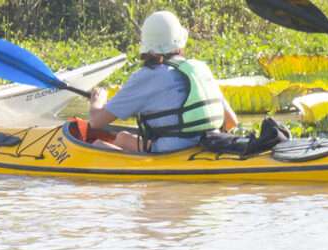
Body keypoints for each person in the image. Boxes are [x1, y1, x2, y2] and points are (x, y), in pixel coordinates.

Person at [85, 11, 238, 153]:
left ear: (147, 47)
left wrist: (97, 103)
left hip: (171, 152)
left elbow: (96, 122)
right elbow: (231, 122)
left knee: (101, 144)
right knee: (123, 137)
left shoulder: (147, 76)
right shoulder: (200, 68)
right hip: (210, 144)